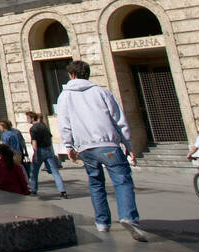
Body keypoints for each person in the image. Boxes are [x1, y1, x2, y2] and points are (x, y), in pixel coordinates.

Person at [57, 60, 147, 242]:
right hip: (108, 144)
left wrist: (68, 146)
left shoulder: (64, 96)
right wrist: (128, 145)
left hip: (85, 147)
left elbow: (64, 123)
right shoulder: (102, 92)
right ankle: (128, 217)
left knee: (96, 183)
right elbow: (119, 120)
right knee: (122, 181)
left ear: (71, 75)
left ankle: (102, 222)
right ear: (87, 74)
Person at [25, 110, 66, 197]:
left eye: (28, 118)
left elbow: (34, 142)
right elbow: (49, 137)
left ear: (32, 118)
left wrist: (35, 154)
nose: (27, 120)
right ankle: (62, 191)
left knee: (34, 171)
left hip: (39, 151)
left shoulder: (33, 129)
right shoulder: (43, 126)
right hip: (47, 150)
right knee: (55, 171)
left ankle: (33, 189)